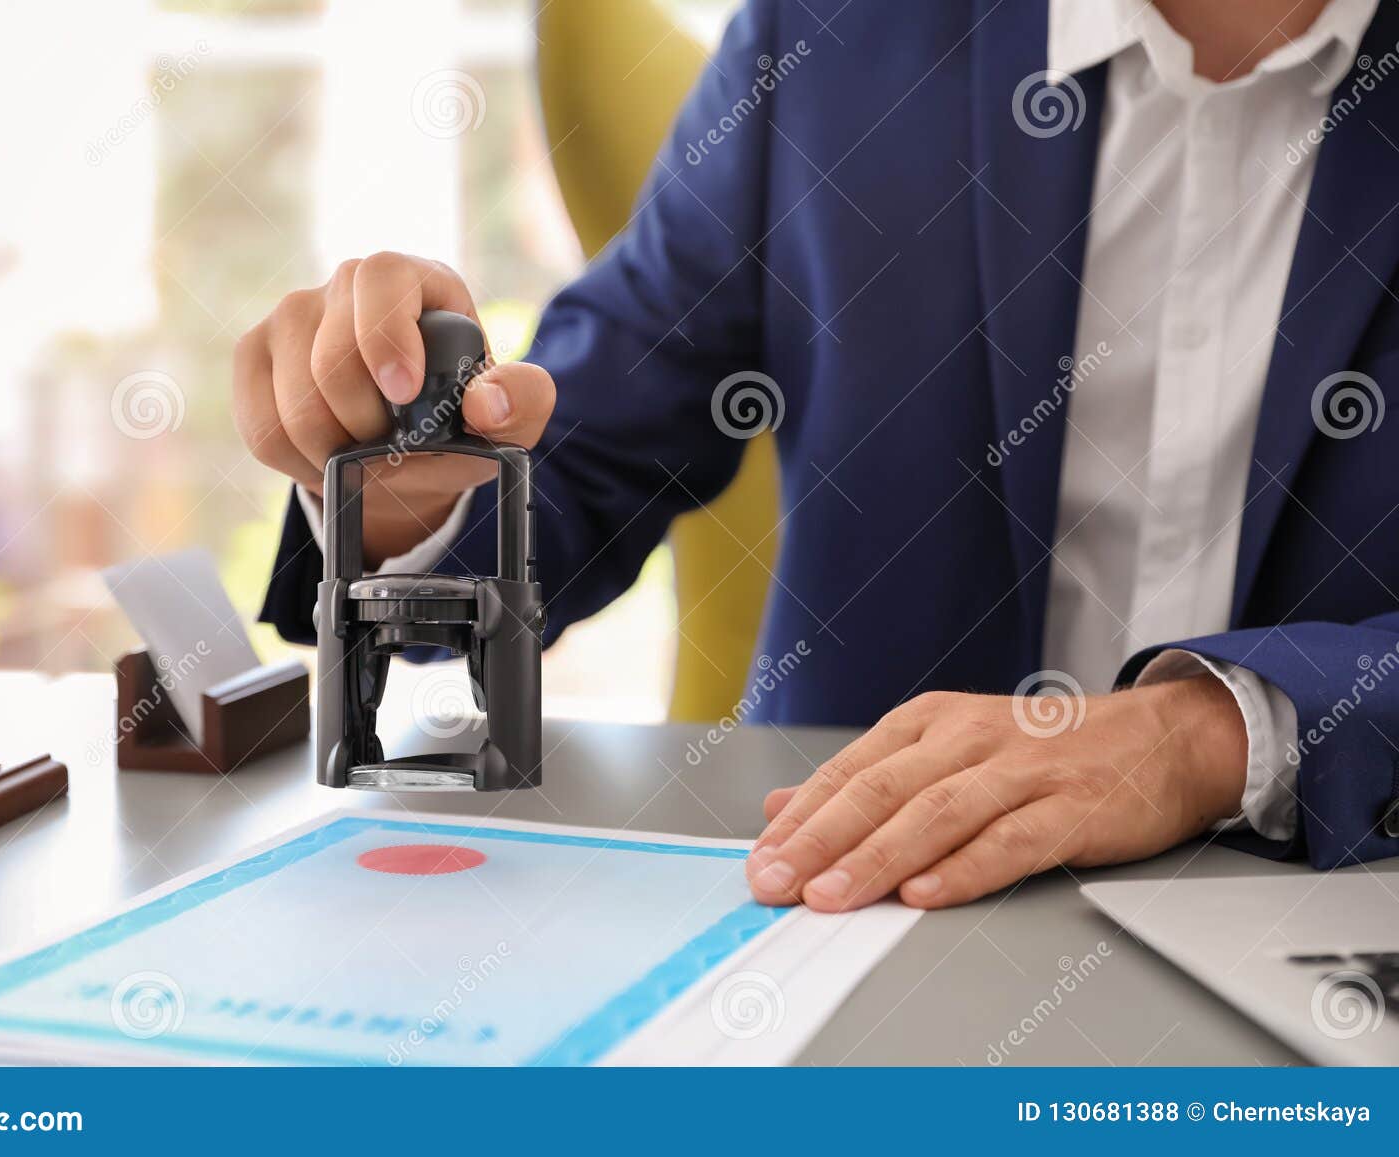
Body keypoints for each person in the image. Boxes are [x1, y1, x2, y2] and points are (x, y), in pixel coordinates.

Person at [237, 0, 1399, 912]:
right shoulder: (832, 32)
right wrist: (406, 491)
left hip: (1333, 900)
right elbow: (581, 449)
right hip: (853, 896)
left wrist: (1212, 733)